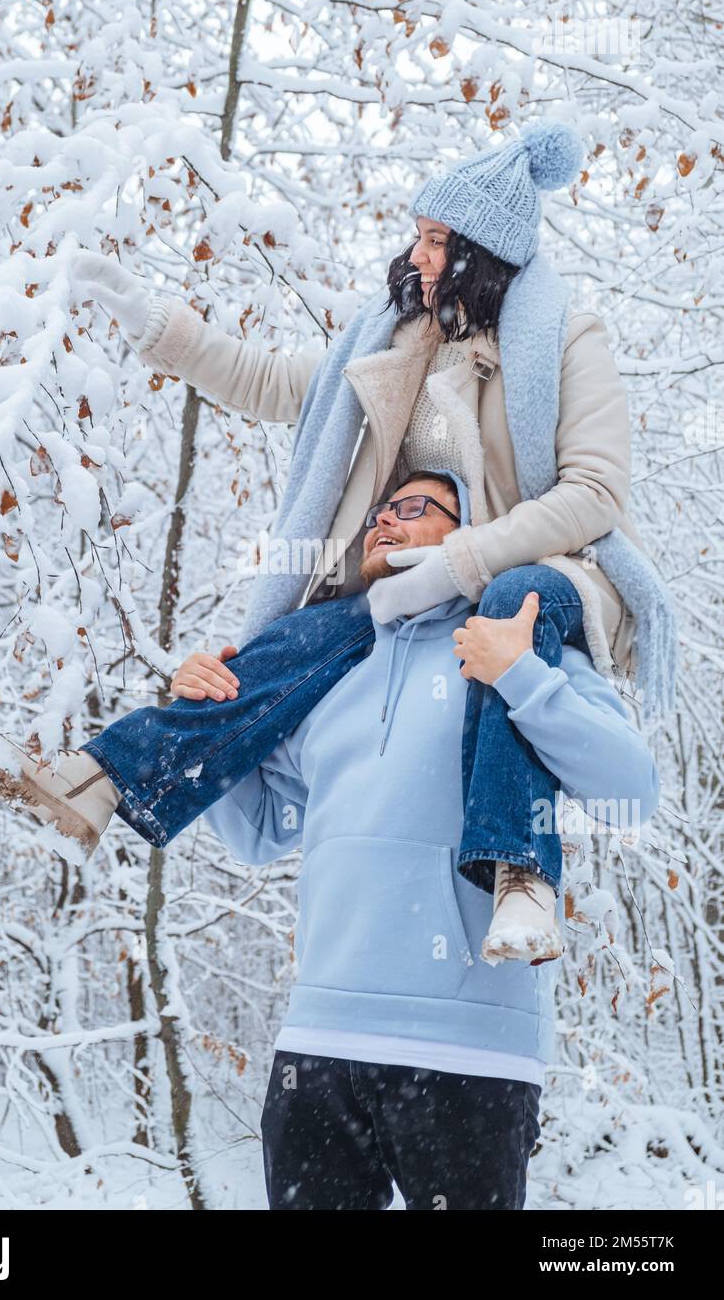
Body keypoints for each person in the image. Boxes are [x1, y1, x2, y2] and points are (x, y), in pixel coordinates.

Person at [0, 120, 675, 962]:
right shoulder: (399, 341)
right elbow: (276, 382)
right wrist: (158, 325)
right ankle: (104, 775)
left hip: (545, 572)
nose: (417, 257)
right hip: (405, 570)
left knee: (504, 602)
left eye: (435, 241)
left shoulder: (567, 340)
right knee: (292, 640)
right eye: (417, 237)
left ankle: (522, 878)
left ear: (481, 252)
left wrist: (459, 561)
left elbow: (595, 493)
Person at [197, 465, 659, 1209]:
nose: (384, 519)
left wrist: (522, 679)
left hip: (467, 1050)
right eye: (381, 508)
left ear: (470, 527)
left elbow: (632, 792)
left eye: (415, 507)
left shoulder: (515, 642)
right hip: (317, 1044)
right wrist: (209, 730)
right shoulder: (334, 667)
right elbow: (258, 830)